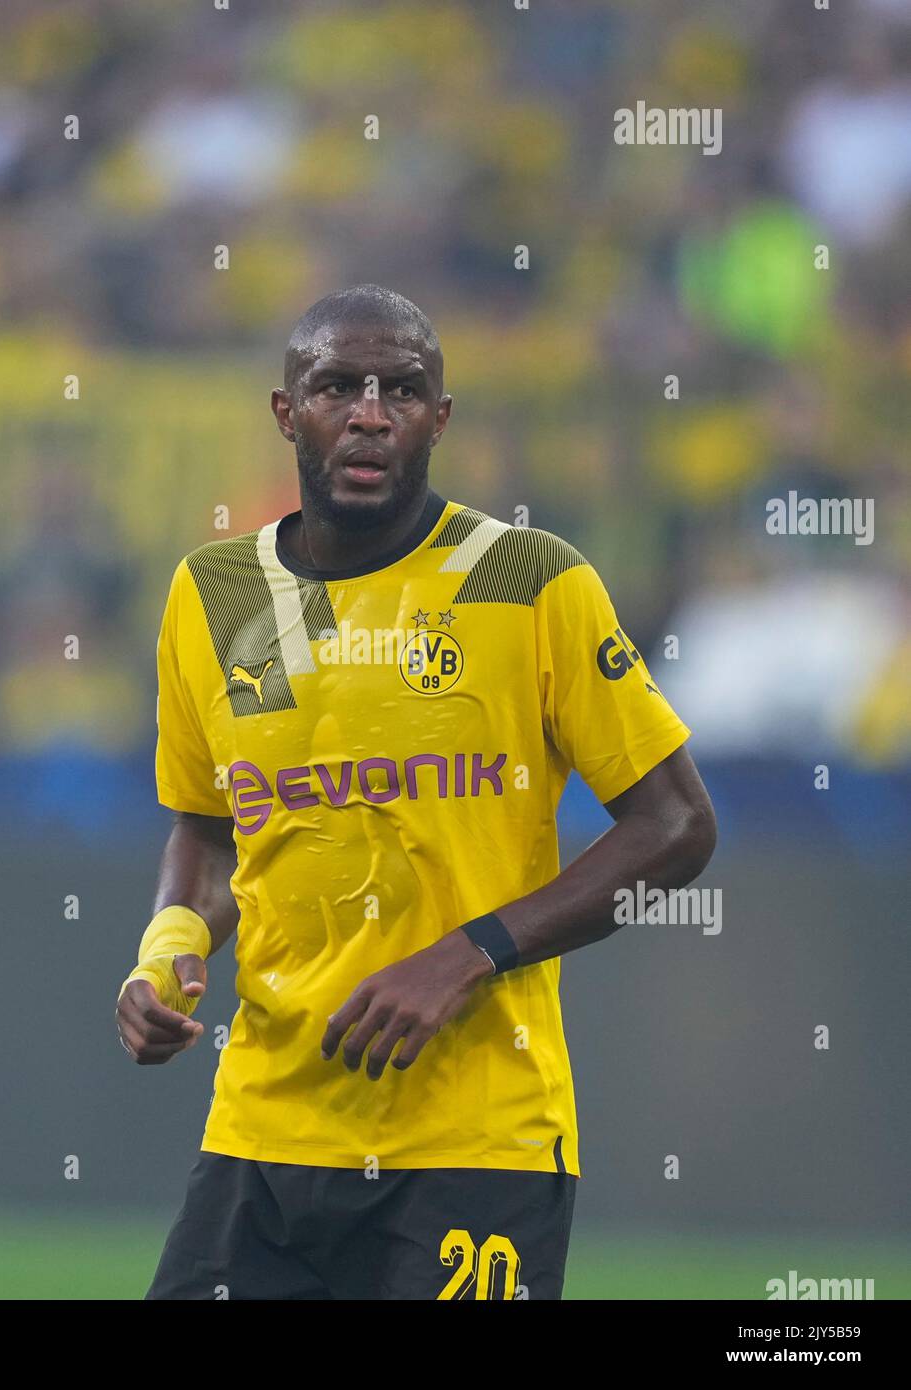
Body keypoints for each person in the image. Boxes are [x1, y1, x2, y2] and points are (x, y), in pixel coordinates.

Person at [115, 284, 717, 1300]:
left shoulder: (529, 581)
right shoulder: (209, 594)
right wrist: (167, 954)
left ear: (437, 419)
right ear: (284, 411)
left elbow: (676, 827)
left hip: (473, 1145)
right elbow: (209, 832)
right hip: (264, 1128)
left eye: (400, 389)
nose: (367, 411)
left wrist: (465, 954)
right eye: (336, 385)